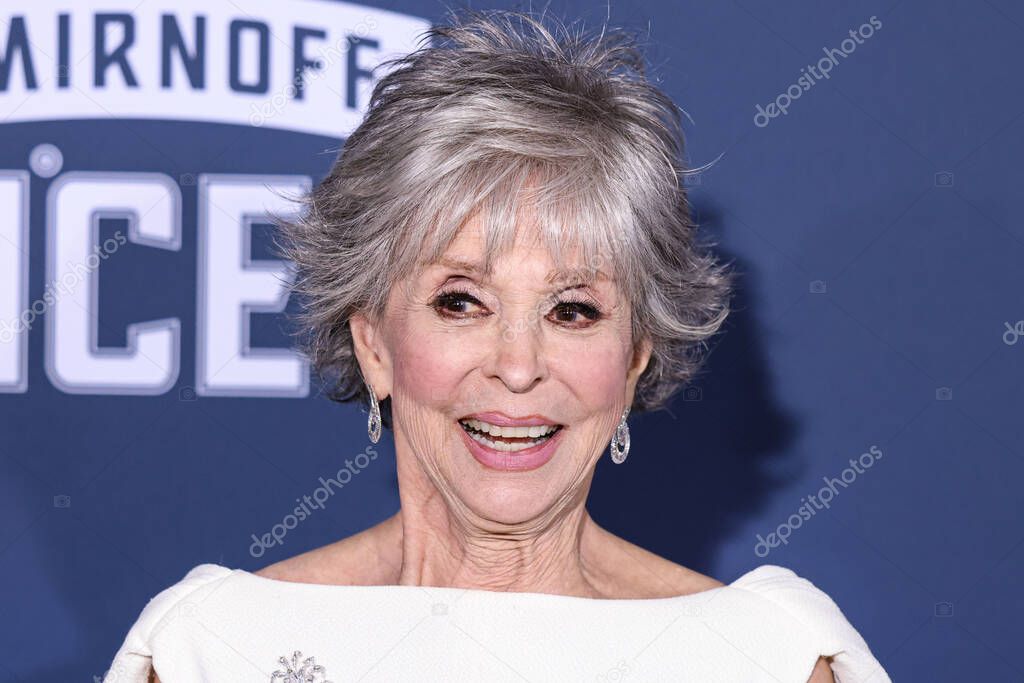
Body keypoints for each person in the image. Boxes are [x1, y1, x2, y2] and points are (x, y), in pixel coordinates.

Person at [105, 9, 889, 682]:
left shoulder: (761, 658)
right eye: (461, 302)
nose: (517, 366)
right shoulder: (219, 648)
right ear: (374, 340)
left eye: (573, 310)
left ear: (636, 357)